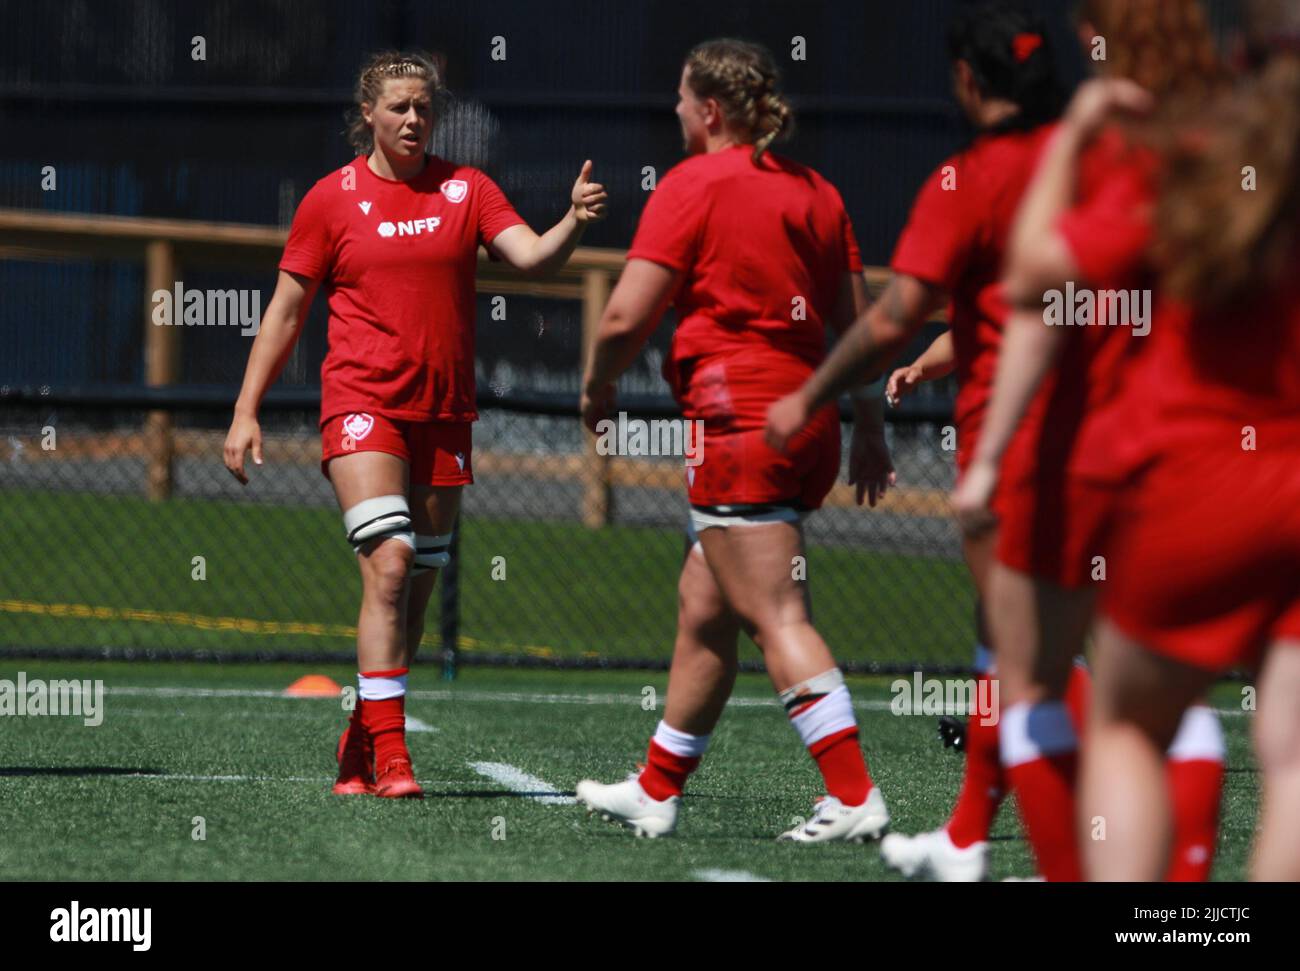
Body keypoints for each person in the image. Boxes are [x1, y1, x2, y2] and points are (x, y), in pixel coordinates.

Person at [222, 50, 606, 798]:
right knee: (390, 564)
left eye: (423, 108)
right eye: (398, 107)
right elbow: (287, 311)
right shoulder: (330, 200)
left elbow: (531, 259)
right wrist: (245, 409)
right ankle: (394, 757)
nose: (412, 120)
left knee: (413, 595)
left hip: (445, 414)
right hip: (362, 403)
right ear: (368, 113)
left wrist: (572, 221)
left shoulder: (468, 188)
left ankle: (360, 740)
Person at [767, 1, 1089, 880]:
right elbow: (1018, 308)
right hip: (1124, 438)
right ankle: (965, 837)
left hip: (1015, 451)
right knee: (1040, 652)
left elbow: (897, 312)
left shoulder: (974, 178)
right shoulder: (1099, 165)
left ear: (964, 79)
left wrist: (815, 393)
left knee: (1035, 664)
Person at [574, 38, 894, 841]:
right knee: (704, 604)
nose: (675, 113)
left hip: (738, 421)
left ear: (710, 110)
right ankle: (656, 786)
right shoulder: (817, 190)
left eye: (683, 101)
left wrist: (597, 384)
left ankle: (854, 795)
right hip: (806, 422)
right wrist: (870, 427)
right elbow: (859, 329)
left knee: (779, 614)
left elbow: (622, 316)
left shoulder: (692, 184)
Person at [951, 0, 1228, 880]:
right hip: (1224, 466)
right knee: (1209, 709)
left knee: (1038, 687)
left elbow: (1036, 292)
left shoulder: (1117, 157)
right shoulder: (1247, 149)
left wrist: (989, 456)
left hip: (1107, 459)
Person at [1079, 0, 1300, 880]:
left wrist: (1079, 136)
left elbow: (1042, 272)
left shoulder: (1188, 158)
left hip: (1200, 485)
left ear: (1237, 49)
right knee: (1293, 753)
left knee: (1130, 722)